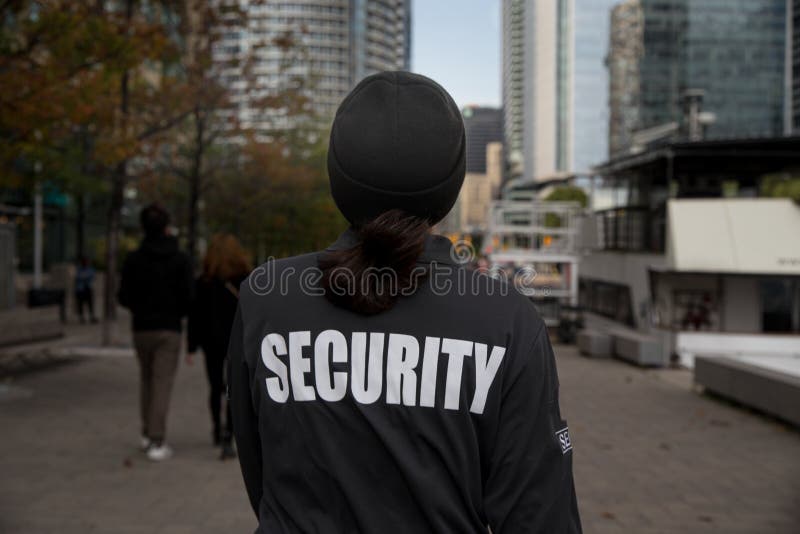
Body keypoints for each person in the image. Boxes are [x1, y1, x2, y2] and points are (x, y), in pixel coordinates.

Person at [228, 72, 582, 533]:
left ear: (337, 174)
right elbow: (540, 515)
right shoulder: (507, 319)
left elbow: (261, 477)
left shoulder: (265, 297)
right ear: (450, 185)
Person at [118, 203, 194, 462]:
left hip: (141, 328)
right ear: (166, 226)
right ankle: (156, 438)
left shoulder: (133, 259)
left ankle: (146, 432)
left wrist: (141, 307)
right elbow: (188, 297)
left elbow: (123, 296)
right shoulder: (180, 259)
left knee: (147, 380)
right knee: (161, 383)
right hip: (169, 328)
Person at [187, 233, 252, 460]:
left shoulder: (203, 282)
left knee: (215, 386)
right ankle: (229, 433)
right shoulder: (247, 279)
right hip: (238, 340)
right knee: (235, 388)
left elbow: (194, 316)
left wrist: (191, 346)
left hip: (210, 341)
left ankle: (216, 429)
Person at [74, 256, 97, 323]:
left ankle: (91, 316)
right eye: (84, 261)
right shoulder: (79, 269)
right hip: (80, 289)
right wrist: (85, 277)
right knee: (80, 304)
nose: (86, 263)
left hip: (88, 288)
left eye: (87, 261)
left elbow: (92, 276)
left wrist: (84, 277)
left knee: (90, 303)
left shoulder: (90, 269)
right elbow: (78, 277)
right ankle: (82, 317)